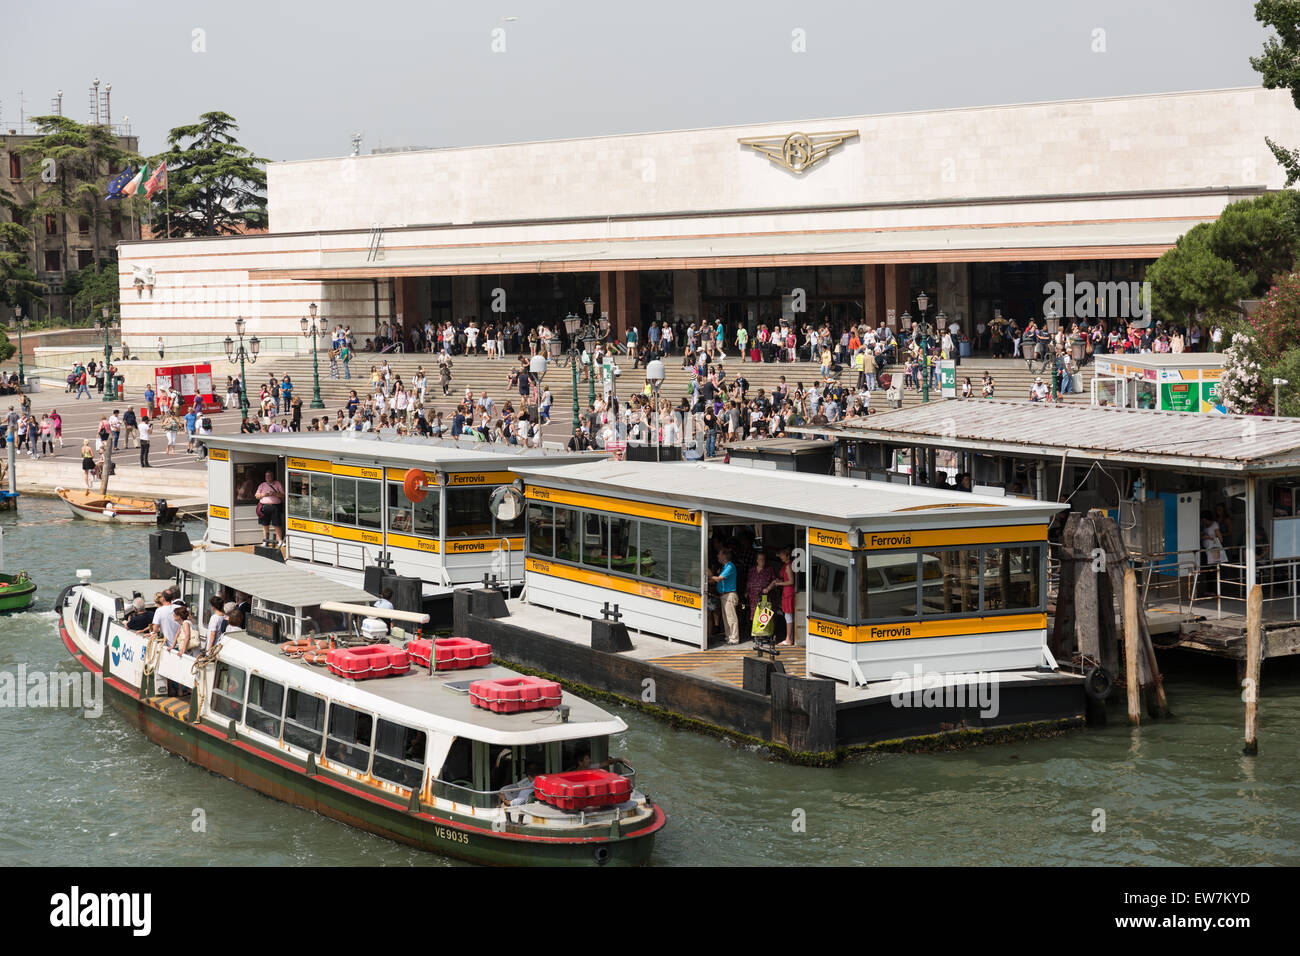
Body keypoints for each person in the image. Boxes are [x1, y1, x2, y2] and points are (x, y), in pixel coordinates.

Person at [708, 547, 740, 645]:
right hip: (724, 595)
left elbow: (719, 579)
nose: (718, 556)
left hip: (729, 595)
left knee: (731, 618)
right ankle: (728, 636)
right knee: (726, 617)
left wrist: (708, 577)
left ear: (724, 556)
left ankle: (734, 638)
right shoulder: (725, 567)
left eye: (719, 554)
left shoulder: (730, 566)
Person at [255, 470, 285, 547]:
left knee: (277, 524)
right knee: (265, 525)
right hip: (264, 506)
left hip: (275, 507)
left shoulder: (277, 484)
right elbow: (256, 496)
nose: (268, 477)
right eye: (266, 476)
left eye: (269, 476)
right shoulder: (262, 485)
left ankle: (280, 541)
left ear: (272, 476)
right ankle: (265, 541)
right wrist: (263, 495)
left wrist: (274, 494)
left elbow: (283, 495)